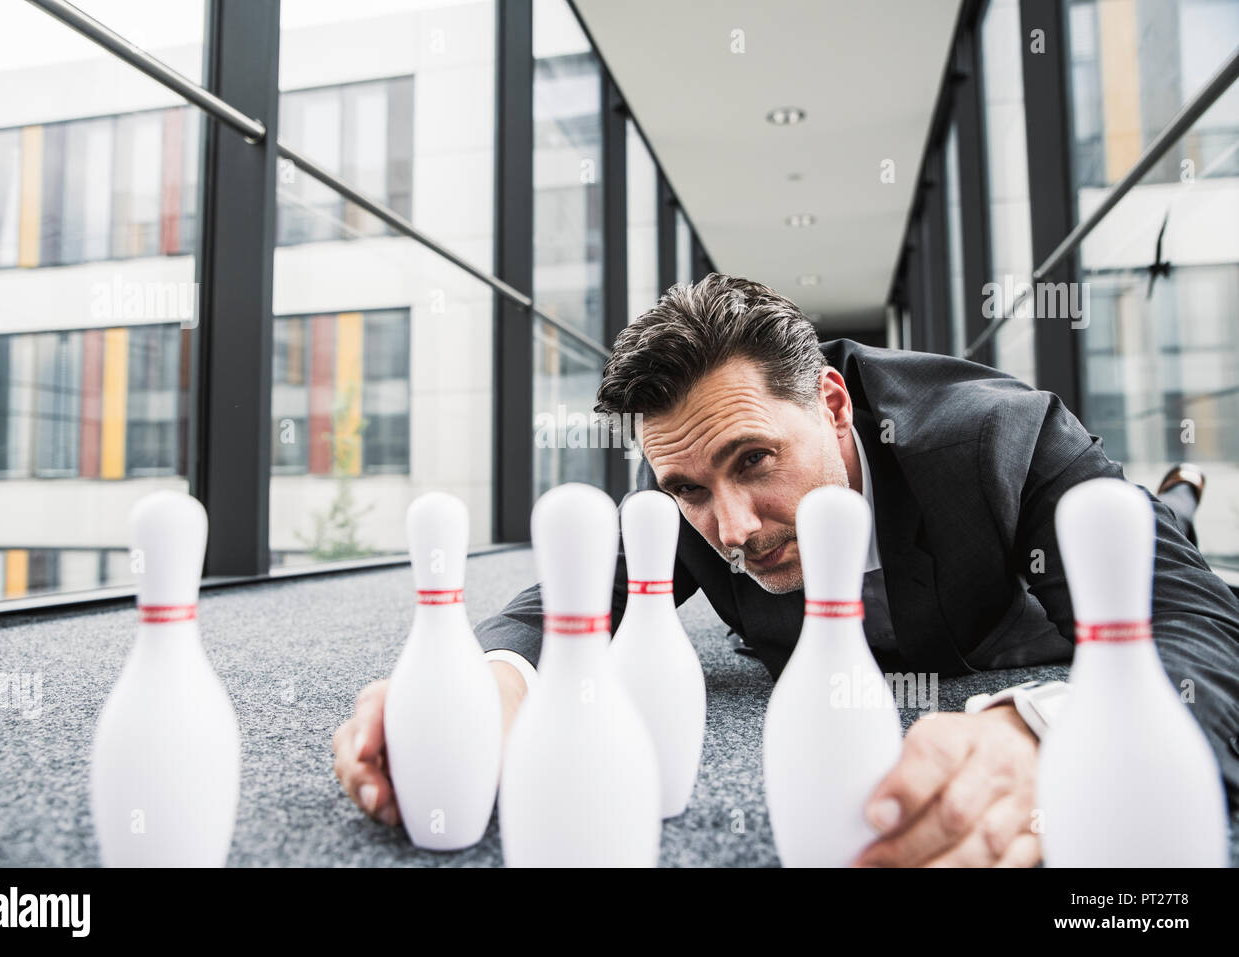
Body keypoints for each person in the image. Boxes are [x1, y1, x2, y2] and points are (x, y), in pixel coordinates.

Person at [332, 273, 1239, 866]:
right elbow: (558, 601)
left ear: (834, 405)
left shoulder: (1004, 441)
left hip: (1022, 624)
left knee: (1157, 533)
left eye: (756, 461)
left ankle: (1174, 495)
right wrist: (487, 682)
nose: (730, 527)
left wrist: (1048, 730)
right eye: (688, 488)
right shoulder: (694, 478)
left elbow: (1206, 636)